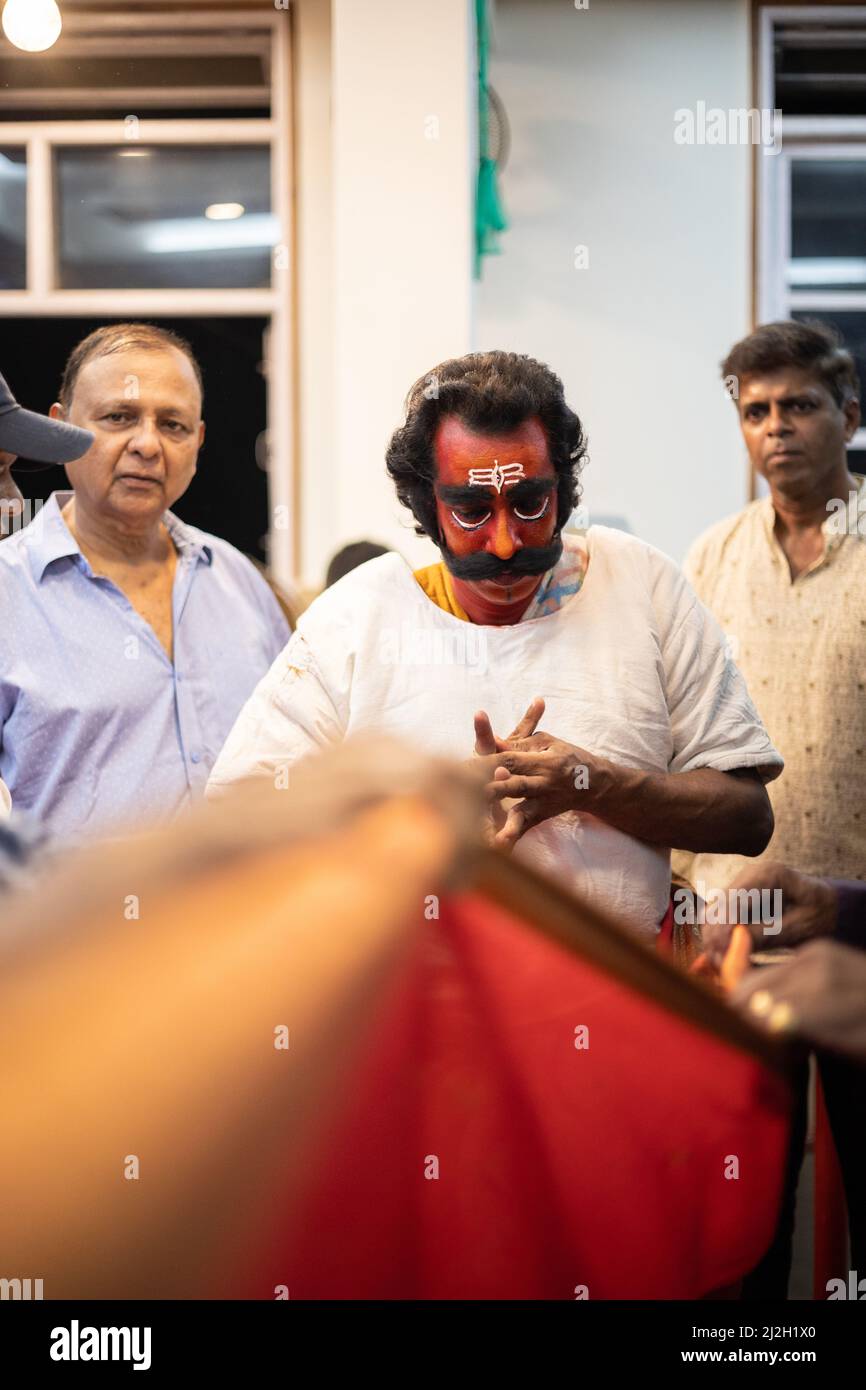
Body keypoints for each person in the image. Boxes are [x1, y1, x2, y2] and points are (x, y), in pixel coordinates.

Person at [208, 351, 782, 938]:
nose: (506, 543)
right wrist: (419, 820)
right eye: (472, 511)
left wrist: (596, 785)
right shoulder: (356, 621)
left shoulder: (641, 585)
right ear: (428, 509)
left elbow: (747, 817)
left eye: (530, 504)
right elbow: (233, 827)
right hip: (424, 1009)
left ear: (563, 490)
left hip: (621, 1003)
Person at [674, 320, 866, 1298]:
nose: (775, 428)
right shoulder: (706, 560)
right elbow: (673, 728)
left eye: (797, 405)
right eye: (754, 411)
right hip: (732, 925)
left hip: (854, 927)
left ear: (848, 414)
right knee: (739, 1207)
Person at [0, 324, 290, 843]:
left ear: (198, 443)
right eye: (119, 417)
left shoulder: (239, 582)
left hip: (247, 917)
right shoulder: (9, 590)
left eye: (173, 425)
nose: (147, 445)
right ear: (61, 427)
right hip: (73, 923)